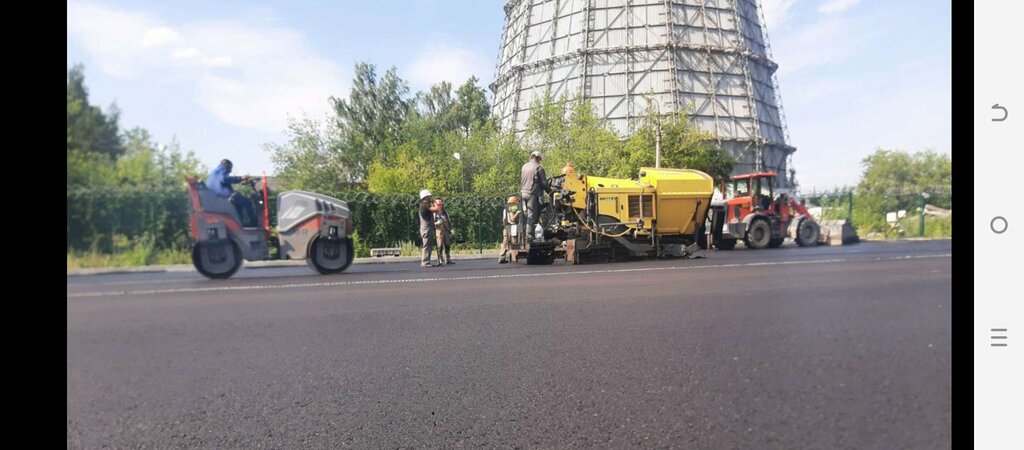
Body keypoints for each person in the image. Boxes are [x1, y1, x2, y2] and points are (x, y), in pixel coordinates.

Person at [205, 159, 258, 227]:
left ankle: (240, 224)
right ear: (227, 166)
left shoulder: (214, 172)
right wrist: (240, 178)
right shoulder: (222, 169)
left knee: (239, 204)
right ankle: (254, 223)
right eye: (230, 168)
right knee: (247, 201)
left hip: (216, 197)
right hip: (223, 196)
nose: (230, 171)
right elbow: (224, 179)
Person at [520, 151, 552, 239]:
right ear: (537, 158)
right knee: (532, 215)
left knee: (524, 214)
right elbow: (544, 183)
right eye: (539, 159)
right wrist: (551, 192)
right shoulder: (538, 168)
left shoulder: (524, 166)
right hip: (532, 193)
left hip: (523, 193)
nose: (539, 161)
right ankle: (529, 236)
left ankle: (522, 235)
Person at [418, 189, 442, 268]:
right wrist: (435, 203)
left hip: (428, 228)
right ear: (425, 197)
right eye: (429, 196)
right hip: (426, 228)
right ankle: (425, 262)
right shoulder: (424, 205)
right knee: (427, 245)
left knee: (429, 245)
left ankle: (427, 261)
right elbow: (436, 209)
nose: (430, 197)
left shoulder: (424, 205)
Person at [498, 196, 522, 264]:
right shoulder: (511, 209)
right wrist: (518, 213)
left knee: (505, 242)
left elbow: (504, 220)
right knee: (514, 243)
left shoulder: (505, 209)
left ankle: (501, 257)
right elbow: (513, 219)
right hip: (513, 227)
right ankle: (514, 258)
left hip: (506, 227)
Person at [433, 198, 454, 265]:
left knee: (447, 245)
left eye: (441, 204)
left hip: (446, 230)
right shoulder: (434, 213)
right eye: (438, 204)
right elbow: (431, 223)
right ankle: (440, 259)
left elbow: (449, 221)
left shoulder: (444, 212)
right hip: (439, 231)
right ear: (435, 204)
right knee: (440, 245)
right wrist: (437, 223)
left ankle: (448, 258)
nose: (440, 206)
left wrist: (451, 229)